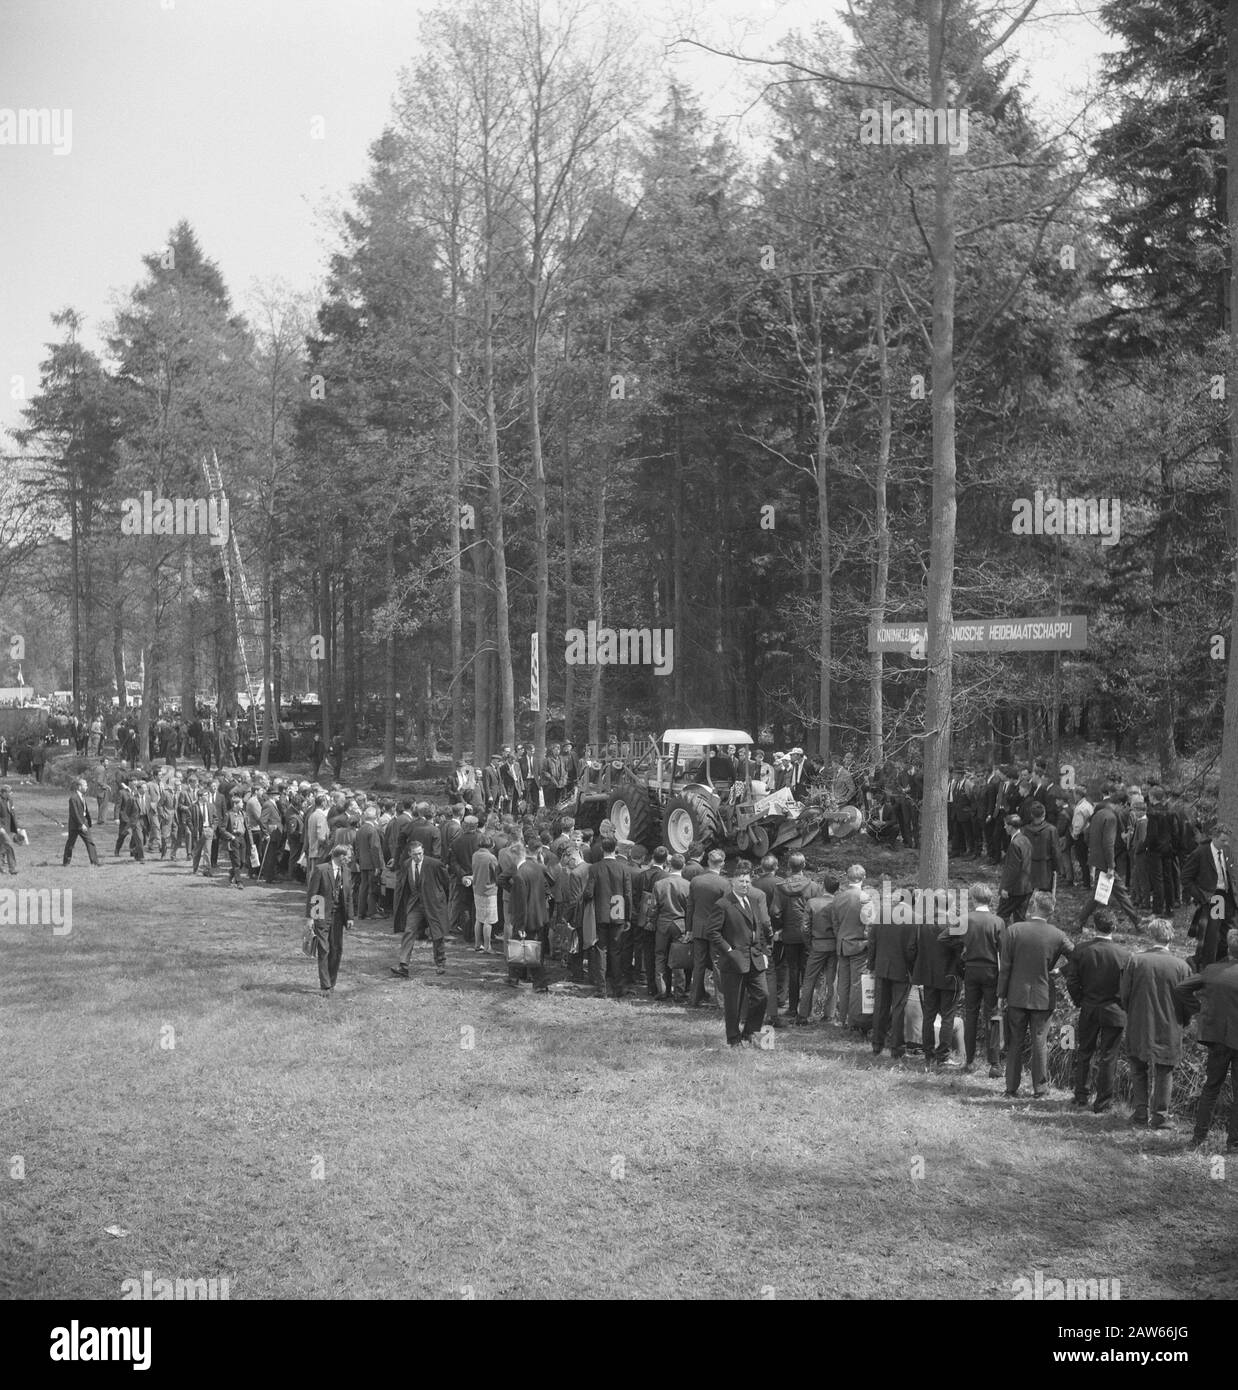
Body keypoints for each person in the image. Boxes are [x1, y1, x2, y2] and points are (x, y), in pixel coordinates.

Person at [997, 890, 1074, 1099]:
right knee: (1040, 1042)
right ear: (1051, 911)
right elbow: (1077, 957)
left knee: (1015, 1042)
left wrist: (1001, 993)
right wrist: (1061, 971)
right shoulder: (1057, 935)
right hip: (1042, 994)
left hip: (1017, 993)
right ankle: (1040, 1089)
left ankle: (1011, 1087)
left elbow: (1005, 966)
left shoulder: (1014, 930)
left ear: (1033, 906)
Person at [1120, 918, 1192, 1130]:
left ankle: (1140, 1112)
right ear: (1171, 937)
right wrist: (1183, 1021)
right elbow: (1189, 1002)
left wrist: (1131, 1012)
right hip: (1170, 1024)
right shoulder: (1182, 966)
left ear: (1151, 936)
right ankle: (1160, 1116)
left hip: (1140, 1021)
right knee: (1164, 1070)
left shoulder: (1136, 961)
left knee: (1138, 1067)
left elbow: (1124, 994)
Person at [1176, 928, 1238, 1152]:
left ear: (1228, 949)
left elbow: (1181, 988)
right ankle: (1233, 1144)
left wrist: (1200, 1010)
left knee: (1211, 1087)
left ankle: (1198, 1137)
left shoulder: (1212, 970)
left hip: (1217, 1038)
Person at [1063, 907, 1129, 1113]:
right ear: (1115, 927)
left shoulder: (1081, 950)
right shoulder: (1124, 955)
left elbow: (1072, 981)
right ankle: (1103, 1102)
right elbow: (1128, 987)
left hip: (1090, 1006)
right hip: (1114, 1009)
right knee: (1108, 1056)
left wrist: (1080, 1000)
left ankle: (1081, 1096)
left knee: (1085, 1052)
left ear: (1093, 926)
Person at [707, 859, 772, 1048]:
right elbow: (713, 932)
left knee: (763, 995)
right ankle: (733, 1039)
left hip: (755, 958)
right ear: (732, 883)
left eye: (747, 881)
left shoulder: (752, 901)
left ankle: (750, 1033)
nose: (745, 885)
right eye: (741, 882)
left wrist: (764, 952)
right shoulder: (723, 904)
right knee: (733, 1003)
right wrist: (729, 950)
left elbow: (758, 928)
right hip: (734, 960)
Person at [1079, 785, 1141, 930]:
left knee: (1109, 894)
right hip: (1105, 862)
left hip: (1097, 858)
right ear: (1121, 804)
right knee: (1111, 894)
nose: (1124, 810)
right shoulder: (1111, 817)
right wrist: (1111, 866)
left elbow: (1087, 834)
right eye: (1124, 807)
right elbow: (1108, 844)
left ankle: (1137, 921)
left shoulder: (1099, 813)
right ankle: (1137, 922)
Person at [957, 881, 1003, 1076]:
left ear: (973, 898)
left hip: (971, 969)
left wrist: (961, 959)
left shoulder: (965, 919)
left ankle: (969, 1060)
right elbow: (1004, 951)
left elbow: (950, 940)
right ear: (990, 900)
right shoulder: (997, 921)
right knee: (992, 1015)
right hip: (992, 970)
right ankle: (994, 1063)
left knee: (971, 1014)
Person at [867, 885, 918, 1060]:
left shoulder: (882, 914)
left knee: (880, 1007)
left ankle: (877, 1044)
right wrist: (912, 969)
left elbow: (872, 941)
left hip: (882, 967)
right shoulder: (914, 919)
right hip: (902, 970)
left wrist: (871, 964)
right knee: (898, 1008)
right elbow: (912, 949)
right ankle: (896, 1048)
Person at [912, 898, 963, 1069]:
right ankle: (943, 1055)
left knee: (929, 1015)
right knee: (947, 1017)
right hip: (949, 976)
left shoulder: (923, 923)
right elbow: (959, 952)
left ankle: (928, 1053)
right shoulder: (953, 924)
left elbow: (916, 947)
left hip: (929, 975)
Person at [391, 840, 450, 977]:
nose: (418, 857)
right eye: (415, 854)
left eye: (420, 853)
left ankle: (440, 963)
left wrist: (439, 898)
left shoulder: (434, 864)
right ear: (409, 854)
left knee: (437, 934)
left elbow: (446, 882)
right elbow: (404, 885)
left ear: (423, 851)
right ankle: (403, 965)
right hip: (415, 904)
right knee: (409, 931)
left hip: (433, 904)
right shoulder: (406, 865)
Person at [1181, 821, 1235, 970]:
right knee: (1211, 936)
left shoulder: (1227, 850)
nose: (1226, 843)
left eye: (1227, 841)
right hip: (1214, 897)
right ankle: (1206, 967)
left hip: (1228, 897)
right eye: (1223, 840)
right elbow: (1185, 878)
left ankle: (1224, 964)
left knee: (1230, 933)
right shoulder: (1201, 853)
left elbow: (1230, 875)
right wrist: (1201, 895)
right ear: (1214, 838)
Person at [586, 835, 634, 999]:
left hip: (600, 914)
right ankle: (618, 987)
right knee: (617, 951)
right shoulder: (624, 868)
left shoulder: (594, 868)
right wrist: (628, 917)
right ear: (616, 849)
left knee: (601, 950)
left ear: (602, 849)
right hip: (619, 913)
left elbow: (588, 893)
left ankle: (601, 988)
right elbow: (628, 894)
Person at [831, 864, 875, 1036]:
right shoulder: (865, 898)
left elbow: (834, 923)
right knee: (857, 984)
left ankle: (841, 1018)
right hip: (858, 945)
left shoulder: (838, 897)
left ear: (847, 877)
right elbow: (869, 925)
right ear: (863, 878)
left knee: (843, 983)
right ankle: (854, 1021)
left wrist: (841, 937)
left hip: (842, 944)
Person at [505, 840, 553, 990]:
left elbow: (521, 905)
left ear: (514, 857)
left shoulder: (519, 875)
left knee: (529, 950)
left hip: (528, 919)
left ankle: (540, 983)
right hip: (539, 914)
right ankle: (514, 977)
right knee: (528, 948)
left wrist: (520, 925)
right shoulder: (536, 867)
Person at [307, 843, 353, 997]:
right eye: (348, 856)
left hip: (339, 916)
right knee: (324, 949)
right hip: (322, 914)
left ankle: (332, 982)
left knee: (337, 949)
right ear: (340, 856)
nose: (350, 859)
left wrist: (350, 917)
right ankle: (325, 985)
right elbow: (313, 894)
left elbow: (348, 896)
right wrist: (311, 917)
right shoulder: (321, 870)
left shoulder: (346, 871)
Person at [685, 849, 729, 1007]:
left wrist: (689, 929)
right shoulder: (725, 883)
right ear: (722, 863)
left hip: (698, 927)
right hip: (717, 929)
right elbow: (727, 910)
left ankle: (694, 998)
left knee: (699, 964)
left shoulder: (696, 881)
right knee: (717, 965)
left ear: (708, 862)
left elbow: (690, 907)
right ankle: (722, 1001)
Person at [796, 873, 841, 1025]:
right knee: (832, 980)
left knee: (809, 979)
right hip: (834, 944)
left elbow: (804, 928)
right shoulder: (839, 902)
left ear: (822, 885)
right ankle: (829, 1015)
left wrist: (809, 944)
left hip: (817, 944)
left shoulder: (812, 902)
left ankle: (803, 1015)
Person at [651, 853, 691, 1000]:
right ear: (684, 866)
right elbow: (689, 908)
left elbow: (653, 908)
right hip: (680, 924)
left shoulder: (659, 884)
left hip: (663, 923)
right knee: (679, 958)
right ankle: (679, 992)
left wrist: (652, 922)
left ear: (669, 865)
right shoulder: (687, 885)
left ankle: (662, 990)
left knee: (660, 956)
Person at [997, 814, 1032, 924]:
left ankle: (1002, 939)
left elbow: (1013, 868)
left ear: (1011, 827)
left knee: (1002, 915)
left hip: (1014, 889)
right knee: (1020, 918)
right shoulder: (1025, 839)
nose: (1004, 827)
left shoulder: (1014, 844)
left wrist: (1005, 888)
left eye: (1005, 825)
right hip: (1027, 887)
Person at [470, 834, 500, 953]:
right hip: (489, 891)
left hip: (477, 889)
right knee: (488, 920)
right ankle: (488, 947)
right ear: (491, 845)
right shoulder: (491, 857)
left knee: (479, 919)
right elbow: (496, 873)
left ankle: (478, 944)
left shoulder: (475, 855)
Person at [63, 778, 100, 867]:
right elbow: (74, 813)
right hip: (75, 825)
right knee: (70, 844)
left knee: (90, 842)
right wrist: (81, 824)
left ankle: (94, 862)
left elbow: (85, 811)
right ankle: (66, 862)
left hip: (84, 823)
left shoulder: (82, 797)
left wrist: (89, 822)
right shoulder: (73, 798)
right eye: (85, 785)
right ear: (79, 787)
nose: (87, 787)